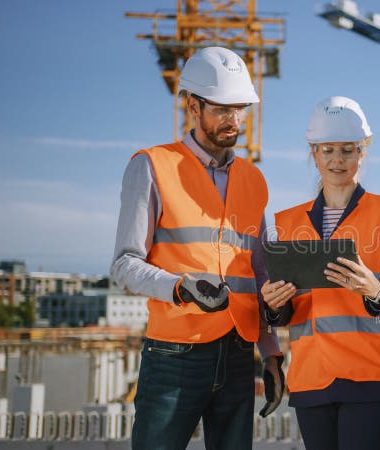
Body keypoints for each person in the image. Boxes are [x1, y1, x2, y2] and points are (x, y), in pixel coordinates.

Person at [110, 46, 285, 450]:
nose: (234, 120)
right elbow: (124, 264)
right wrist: (180, 286)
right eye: (222, 109)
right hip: (175, 356)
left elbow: (260, 275)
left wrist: (271, 351)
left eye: (240, 108)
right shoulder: (151, 166)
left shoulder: (254, 180)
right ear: (193, 105)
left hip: (240, 355)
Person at [261, 96, 380, 450]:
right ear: (314, 153)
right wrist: (272, 306)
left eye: (348, 150)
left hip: (374, 378)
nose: (337, 160)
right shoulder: (288, 223)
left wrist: (375, 290)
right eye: (327, 150)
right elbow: (288, 311)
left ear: (363, 152)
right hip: (312, 379)